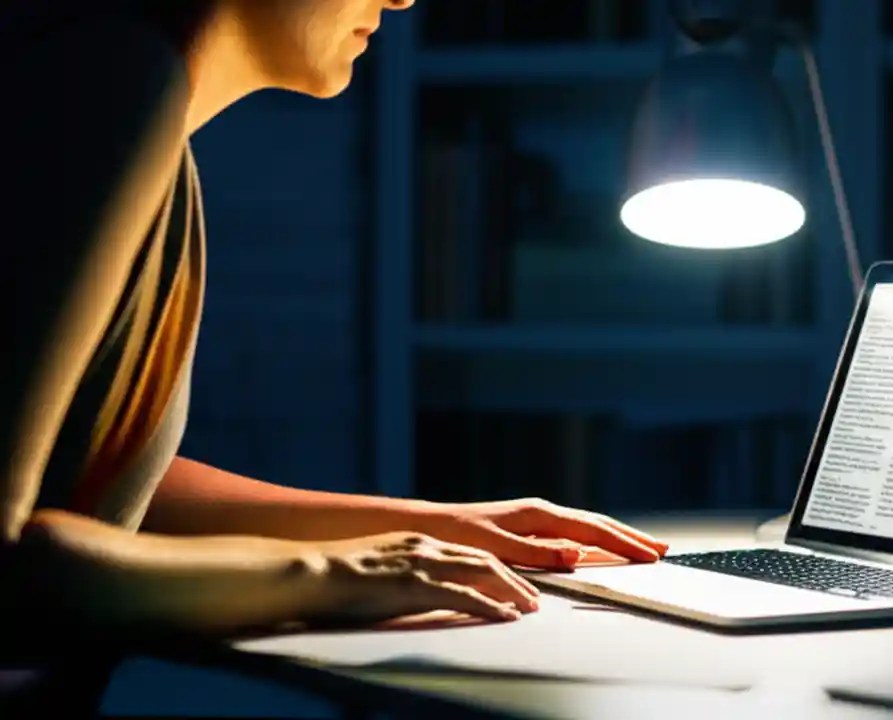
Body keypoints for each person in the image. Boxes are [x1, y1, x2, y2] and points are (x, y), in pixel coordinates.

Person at [0, 0, 668, 640]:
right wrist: (323, 574)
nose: (404, 0)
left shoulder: (143, 111)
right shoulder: (109, 81)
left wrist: (434, 528)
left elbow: (102, 485)